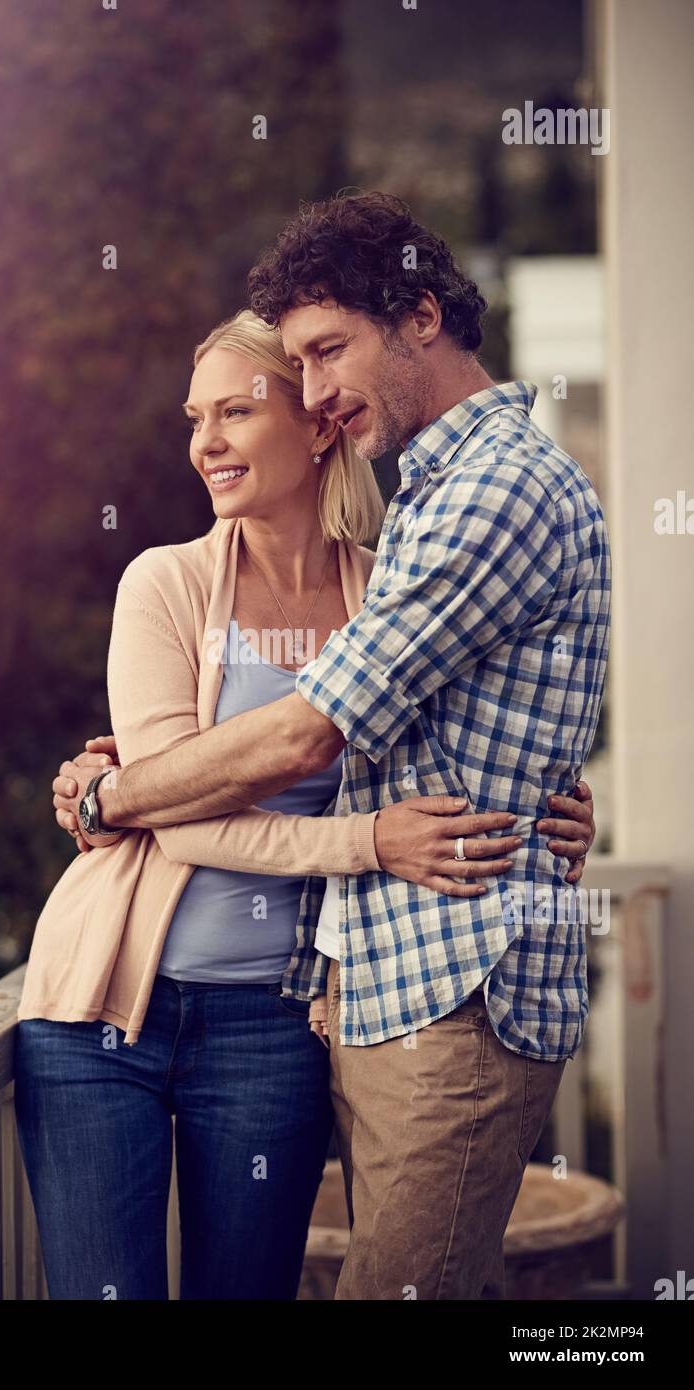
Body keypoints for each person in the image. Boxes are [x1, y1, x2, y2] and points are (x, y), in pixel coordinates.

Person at [51, 192, 610, 1301]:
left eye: (326, 353)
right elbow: (431, 728)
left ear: (416, 316)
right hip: (360, 993)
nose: (315, 390)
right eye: (295, 366)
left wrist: (117, 797)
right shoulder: (426, 497)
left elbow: (317, 725)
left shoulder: (483, 493)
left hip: (451, 995)